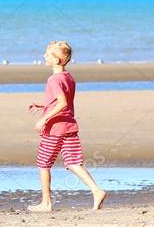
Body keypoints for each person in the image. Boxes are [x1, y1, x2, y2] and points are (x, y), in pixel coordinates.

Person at [27, 41, 108, 212]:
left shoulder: (53, 80)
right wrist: (43, 105)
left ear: (57, 60)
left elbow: (63, 103)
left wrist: (44, 119)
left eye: (47, 54)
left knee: (43, 163)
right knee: (73, 163)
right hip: (69, 126)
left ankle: (46, 203)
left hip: (55, 128)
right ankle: (97, 190)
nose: (44, 56)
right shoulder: (68, 77)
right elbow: (62, 100)